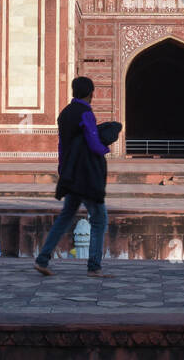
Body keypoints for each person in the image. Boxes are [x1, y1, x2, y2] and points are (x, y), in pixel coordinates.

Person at [35, 76, 121, 278]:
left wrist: (64, 169)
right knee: (99, 219)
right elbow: (92, 141)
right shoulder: (85, 113)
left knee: (65, 217)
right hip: (86, 175)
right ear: (91, 93)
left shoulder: (65, 113)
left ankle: (42, 259)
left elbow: (62, 145)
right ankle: (94, 266)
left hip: (71, 173)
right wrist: (104, 149)